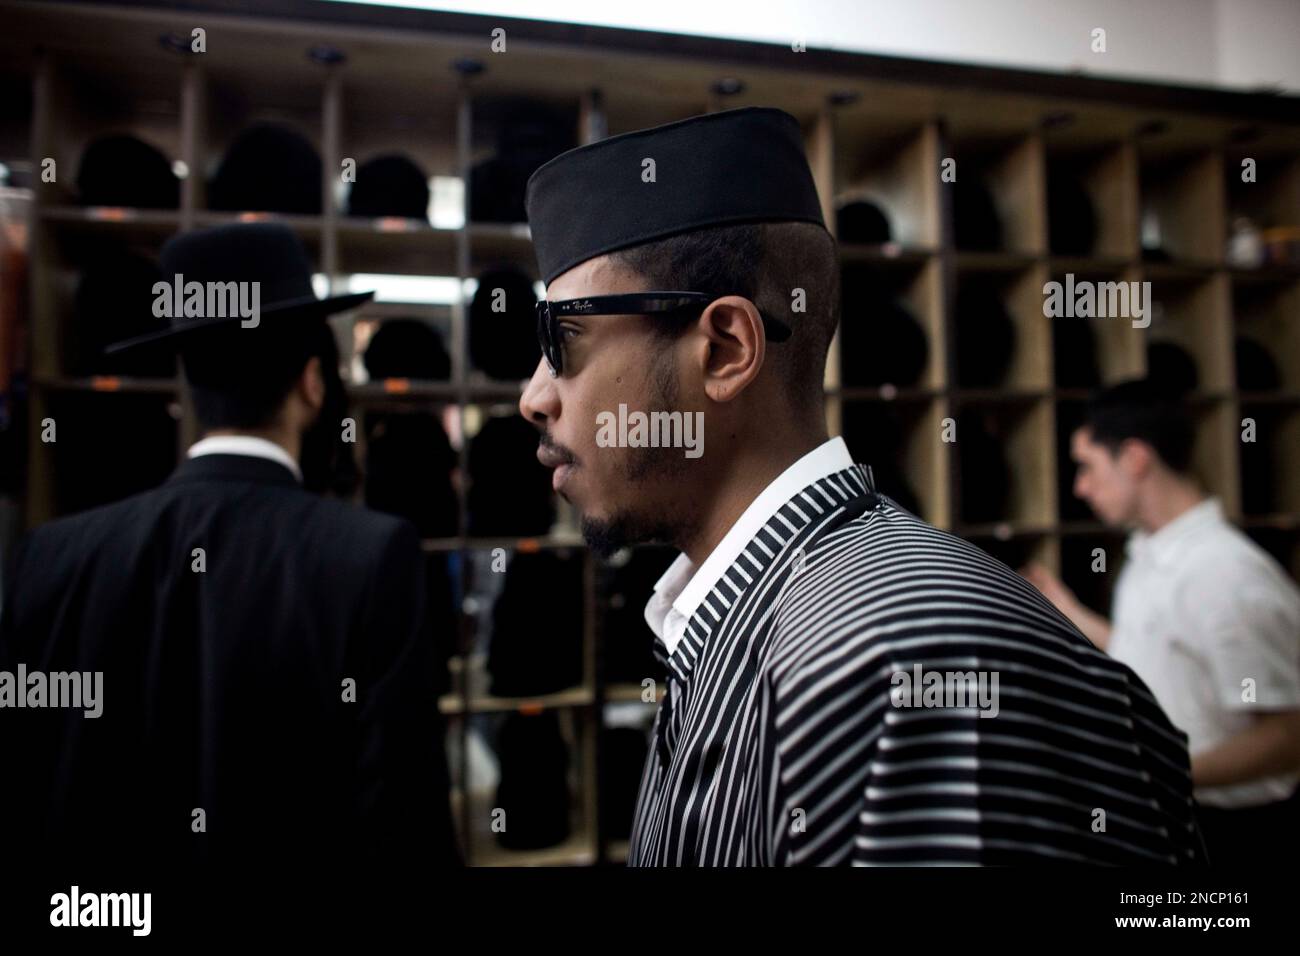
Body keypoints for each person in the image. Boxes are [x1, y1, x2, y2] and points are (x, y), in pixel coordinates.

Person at [520, 106, 1205, 865]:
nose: (533, 396)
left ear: (723, 349)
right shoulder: (751, 623)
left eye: (562, 341)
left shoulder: (902, 666)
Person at [0, 223, 460, 879]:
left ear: (190, 384)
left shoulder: (47, 557)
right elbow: (404, 830)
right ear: (311, 383)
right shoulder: (368, 555)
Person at [1022, 379, 1300, 866]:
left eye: (1087, 466)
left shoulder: (1224, 575)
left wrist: (1167, 772)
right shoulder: (1151, 551)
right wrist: (1069, 612)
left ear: (1134, 458)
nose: (1079, 487)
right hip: (1179, 817)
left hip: (1238, 834)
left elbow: (1288, 734)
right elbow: (1157, 656)